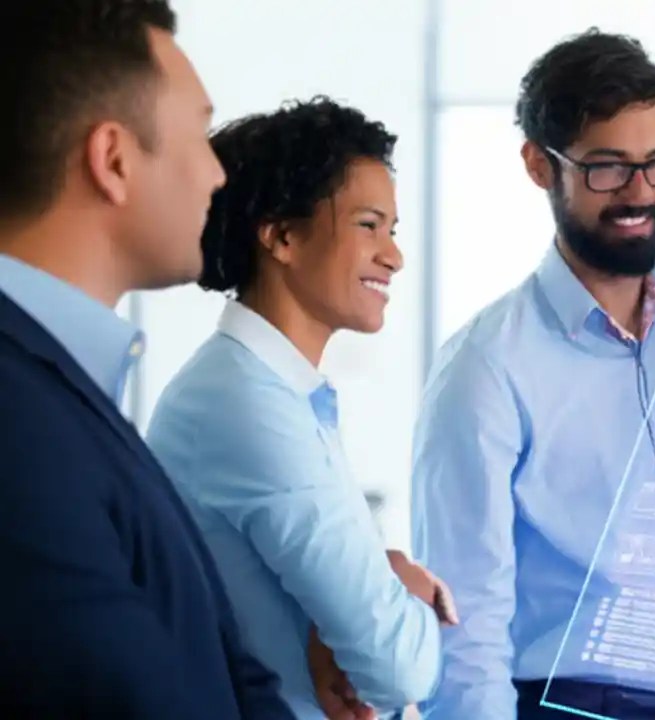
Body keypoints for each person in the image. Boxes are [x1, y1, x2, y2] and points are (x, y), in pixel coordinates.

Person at [412, 28, 655, 720]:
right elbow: (466, 616)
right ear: (538, 165)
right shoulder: (486, 366)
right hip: (575, 707)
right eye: (607, 167)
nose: (640, 192)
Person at [0, 0, 293, 716]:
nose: (217, 174)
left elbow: (226, 668)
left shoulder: (61, 381)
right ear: (114, 160)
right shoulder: (16, 414)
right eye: (199, 130)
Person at [145, 97, 457, 720]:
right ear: (282, 236)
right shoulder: (244, 404)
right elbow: (398, 667)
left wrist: (381, 574)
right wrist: (412, 593)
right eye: (369, 225)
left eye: (392, 230)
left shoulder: (272, 389)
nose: (393, 256)